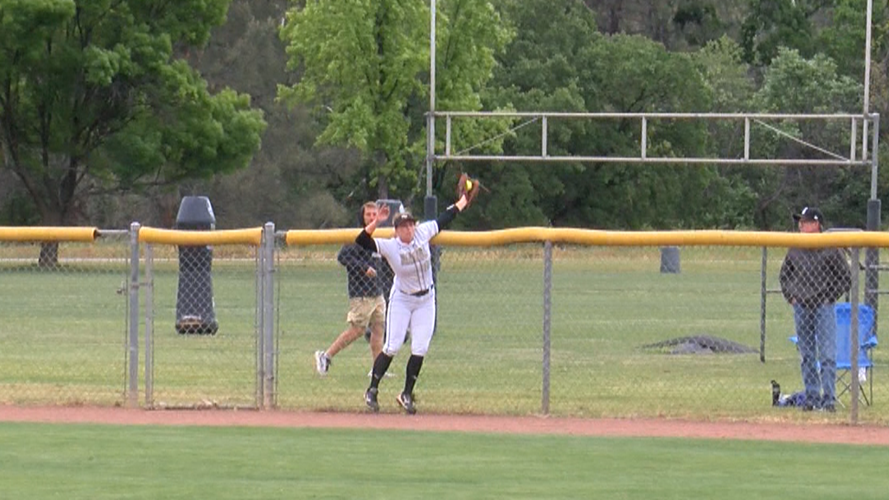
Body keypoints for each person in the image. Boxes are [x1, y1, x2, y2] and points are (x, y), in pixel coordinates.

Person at [355, 192, 472, 414]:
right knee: (392, 345)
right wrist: (376, 222)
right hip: (402, 299)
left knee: (420, 347)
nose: (408, 229)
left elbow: (445, 218)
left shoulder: (422, 232)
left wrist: (462, 202)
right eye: (402, 226)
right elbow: (361, 241)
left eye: (410, 224)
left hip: (426, 299)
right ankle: (372, 390)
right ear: (396, 230)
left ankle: (406, 394)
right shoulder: (391, 246)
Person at [779, 206, 851, 412]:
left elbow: (846, 277)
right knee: (807, 355)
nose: (800, 226)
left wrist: (830, 297)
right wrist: (791, 296)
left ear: (816, 224)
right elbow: (784, 276)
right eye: (800, 222)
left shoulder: (830, 248)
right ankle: (811, 398)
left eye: (805, 222)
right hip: (802, 306)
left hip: (823, 307)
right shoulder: (795, 247)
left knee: (827, 354)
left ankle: (828, 400)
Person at [314, 202, 388, 376]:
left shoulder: (380, 235)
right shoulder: (356, 236)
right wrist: (363, 268)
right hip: (361, 293)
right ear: (362, 216)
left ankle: (377, 369)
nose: (372, 217)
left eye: (374, 214)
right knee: (358, 330)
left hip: (377, 292)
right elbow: (343, 257)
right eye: (368, 214)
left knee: (378, 329)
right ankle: (326, 356)